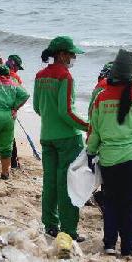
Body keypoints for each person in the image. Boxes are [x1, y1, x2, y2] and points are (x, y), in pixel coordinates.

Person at [86, 49, 132, 257]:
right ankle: (128, 247)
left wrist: (91, 153)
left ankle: (109, 244)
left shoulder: (101, 98)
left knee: (111, 202)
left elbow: (94, 131)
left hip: (109, 160)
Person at [33, 36, 89, 240]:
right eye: (72, 54)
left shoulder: (40, 76)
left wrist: (51, 120)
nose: (74, 57)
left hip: (47, 135)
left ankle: (50, 224)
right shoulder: (65, 76)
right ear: (62, 55)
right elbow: (67, 111)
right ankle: (69, 230)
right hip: (68, 138)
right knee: (68, 184)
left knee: (50, 183)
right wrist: (88, 126)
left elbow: (37, 108)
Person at [0, 54, 26, 168]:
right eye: (17, 68)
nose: (17, 70)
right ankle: (13, 163)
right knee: (9, 137)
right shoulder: (16, 78)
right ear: (14, 66)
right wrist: (15, 107)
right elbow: (22, 95)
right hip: (9, 111)